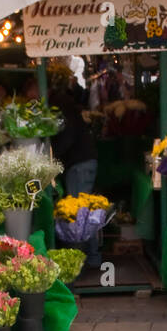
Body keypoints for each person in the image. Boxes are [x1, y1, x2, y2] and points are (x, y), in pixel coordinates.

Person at [51, 78, 101, 267]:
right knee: (82, 209)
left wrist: (53, 156)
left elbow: (68, 137)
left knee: (80, 212)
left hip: (80, 164)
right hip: (82, 162)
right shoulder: (66, 105)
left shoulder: (61, 107)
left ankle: (90, 257)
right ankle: (90, 257)